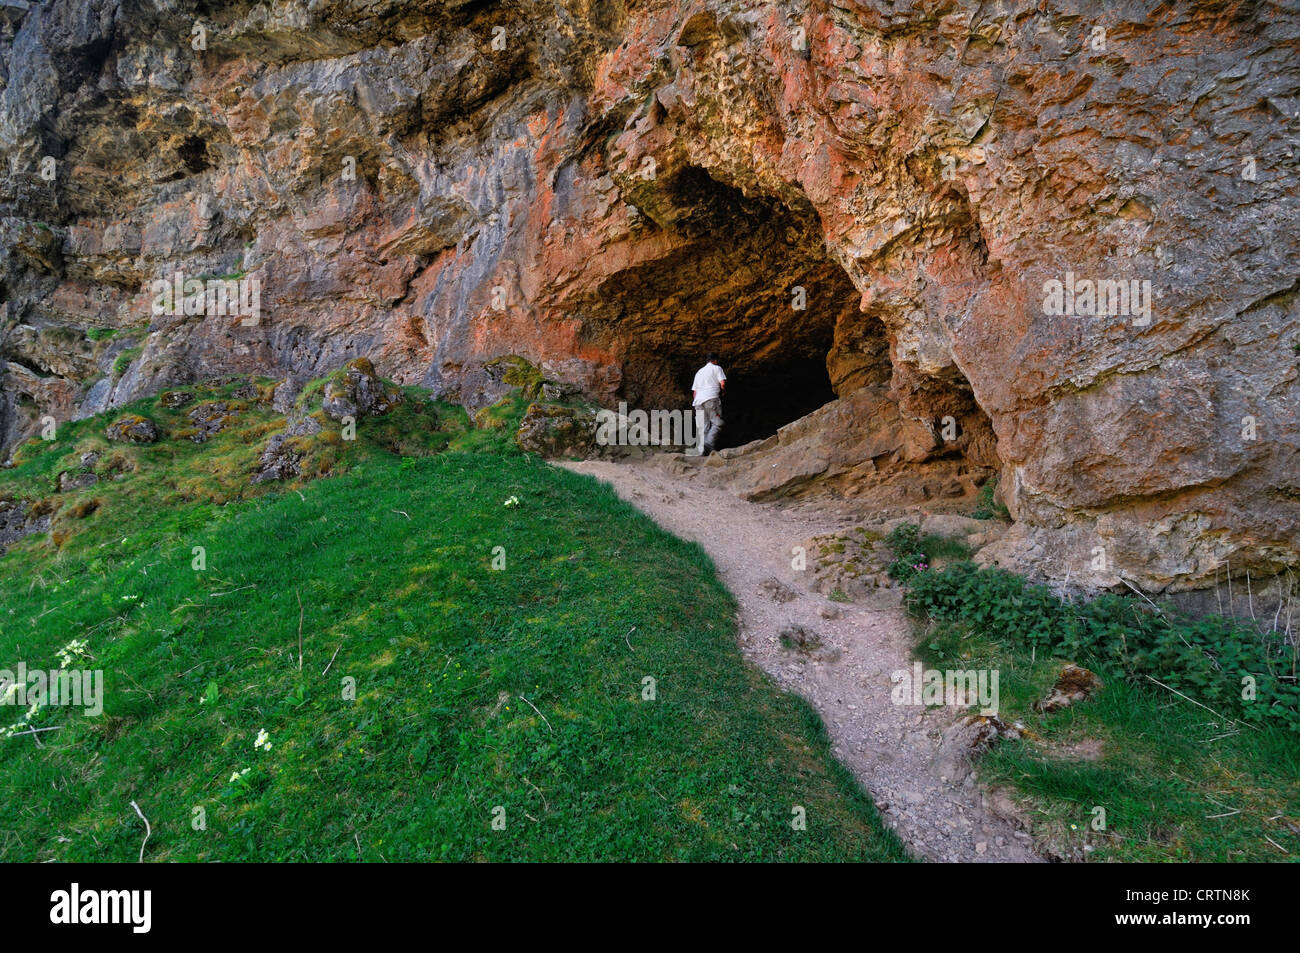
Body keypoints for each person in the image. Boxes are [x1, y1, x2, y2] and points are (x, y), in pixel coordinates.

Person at [689, 353, 726, 456]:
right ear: (715, 360)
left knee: (703, 427)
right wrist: (723, 392)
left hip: (698, 402)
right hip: (711, 398)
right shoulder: (717, 368)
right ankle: (708, 444)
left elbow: (694, 392)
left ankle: (701, 451)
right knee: (718, 423)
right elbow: (722, 383)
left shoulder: (699, 372)